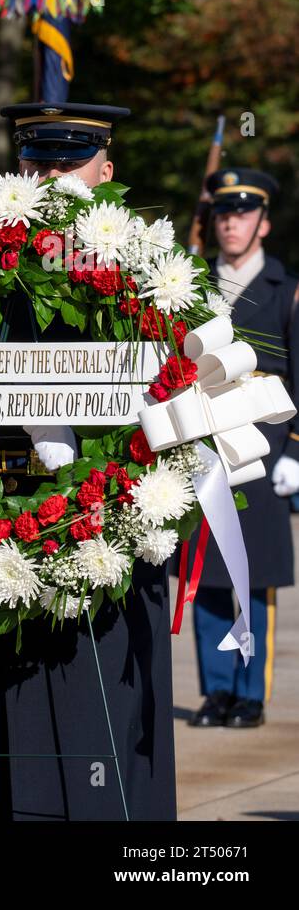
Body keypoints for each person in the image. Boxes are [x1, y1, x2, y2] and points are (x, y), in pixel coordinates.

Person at [0, 101, 176, 821]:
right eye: (36, 164)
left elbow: (168, 391)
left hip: (104, 511)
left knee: (92, 708)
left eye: (68, 164)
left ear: (106, 171)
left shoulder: (142, 268)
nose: (51, 178)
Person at [188, 168, 296, 730]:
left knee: (252, 574)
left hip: (263, 447)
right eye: (223, 213)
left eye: (244, 212)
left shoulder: (287, 289)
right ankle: (217, 691)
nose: (232, 222)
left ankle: (250, 692)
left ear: (265, 222)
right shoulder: (193, 285)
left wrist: (297, 451)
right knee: (207, 572)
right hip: (205, 445)